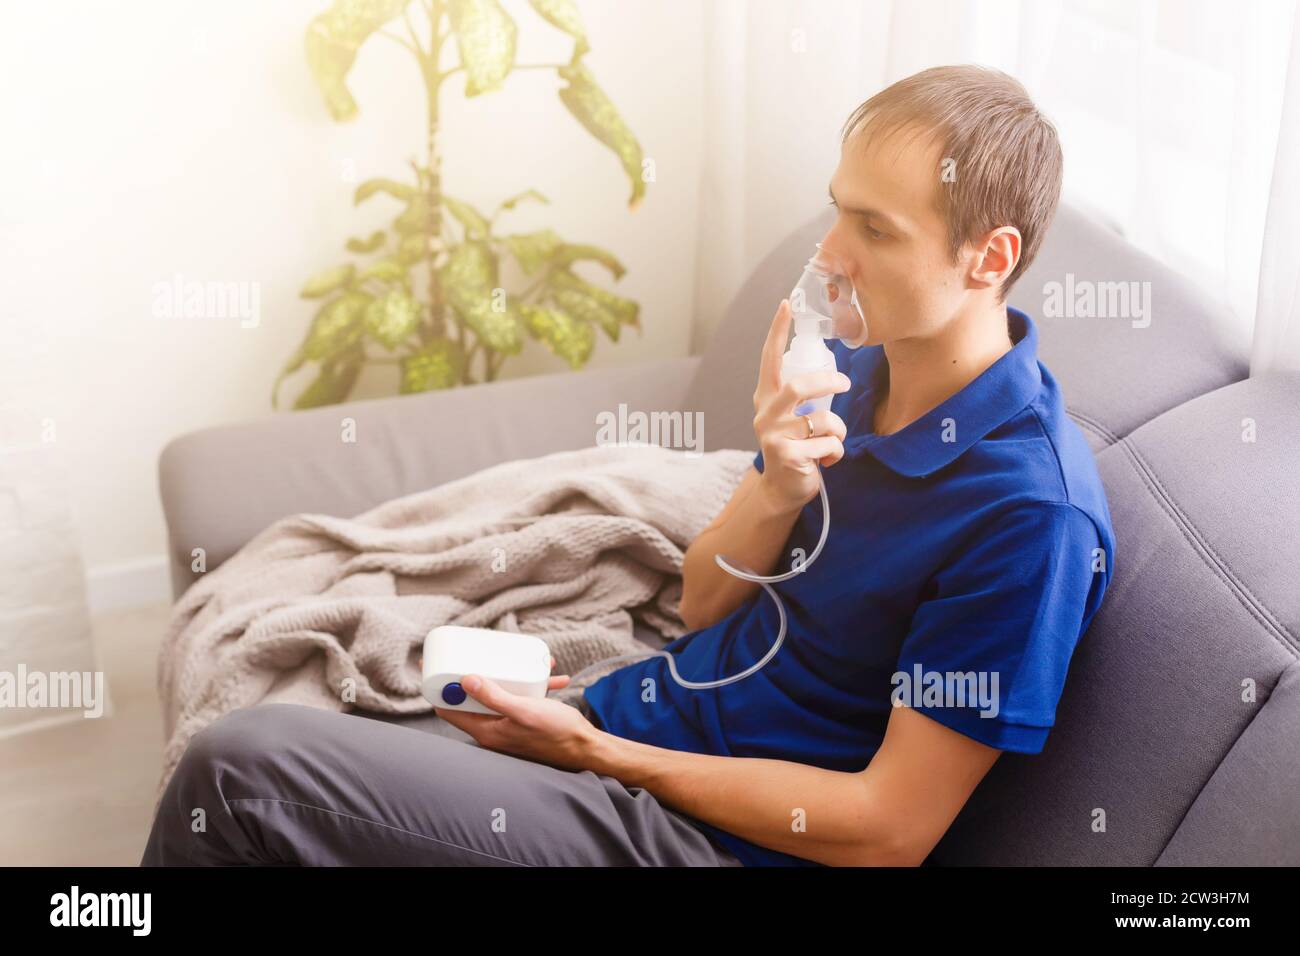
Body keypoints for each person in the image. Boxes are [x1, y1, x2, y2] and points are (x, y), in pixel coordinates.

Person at [141, 65, 1115, 868]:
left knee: (243, 770)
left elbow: (892, 825)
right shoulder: (861, 376)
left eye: (874, 229)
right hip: (630, 727)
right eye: (837, 212)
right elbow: (699, 607)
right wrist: (778, 479)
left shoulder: (1028, 515)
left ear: (987, 258)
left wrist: (605, 754)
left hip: (706, 835)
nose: (828, 253)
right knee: (316, 746)